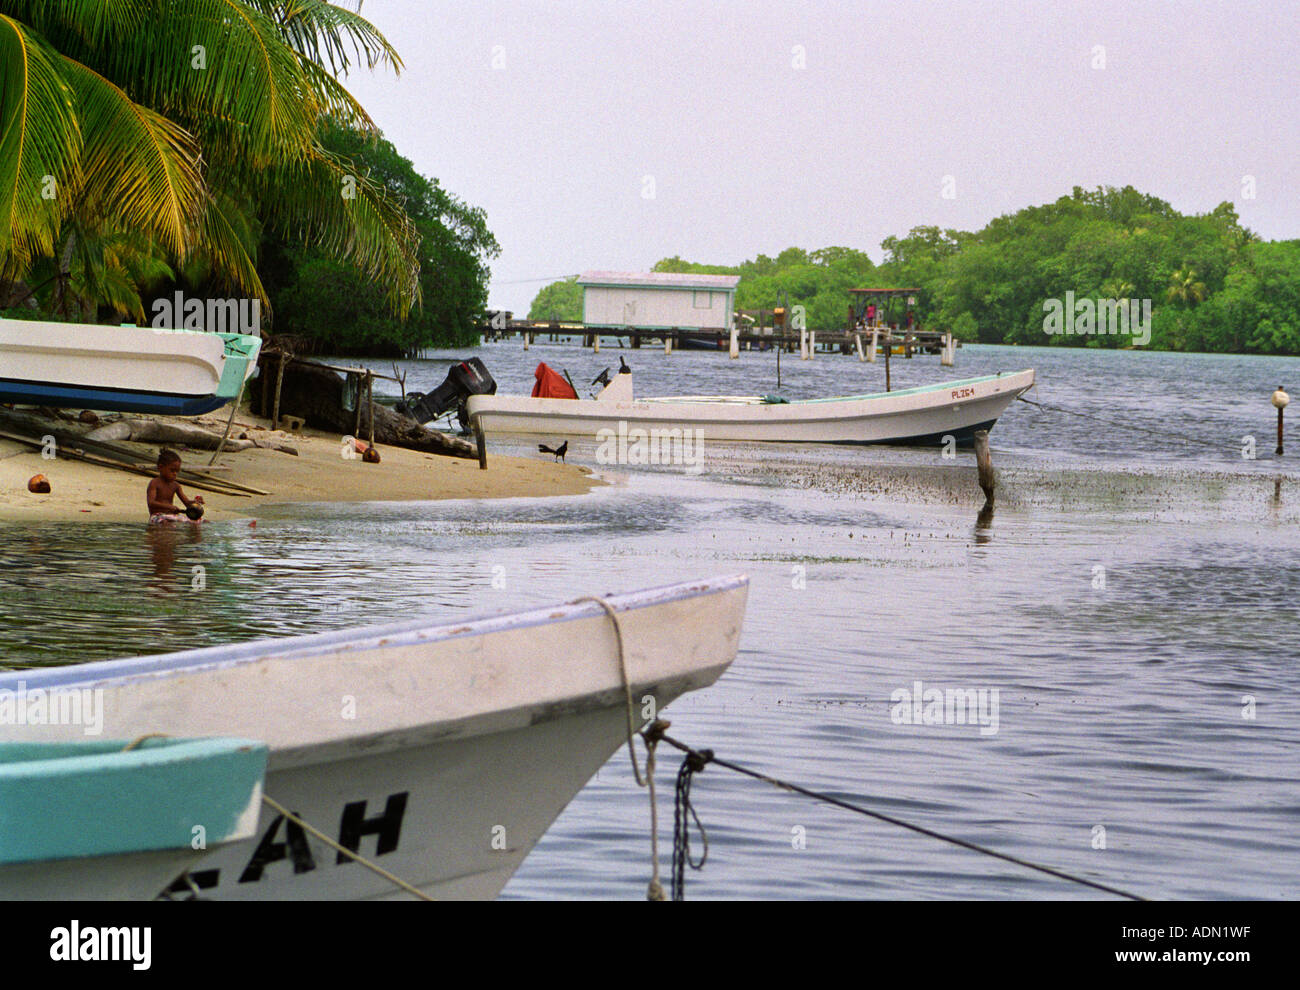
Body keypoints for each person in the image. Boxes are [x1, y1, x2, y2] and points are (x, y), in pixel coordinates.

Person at [147, 449, 204, 523]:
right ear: (160, 467)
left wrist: (195, 503)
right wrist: (169, 507)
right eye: (172, 470)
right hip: (158, 516)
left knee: (200, 522)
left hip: (172, 515)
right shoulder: (154, 483)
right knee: (164, 523)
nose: (175, 474)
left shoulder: (176, 485)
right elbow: (151, 503)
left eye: (177, 471)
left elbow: (187, 503)